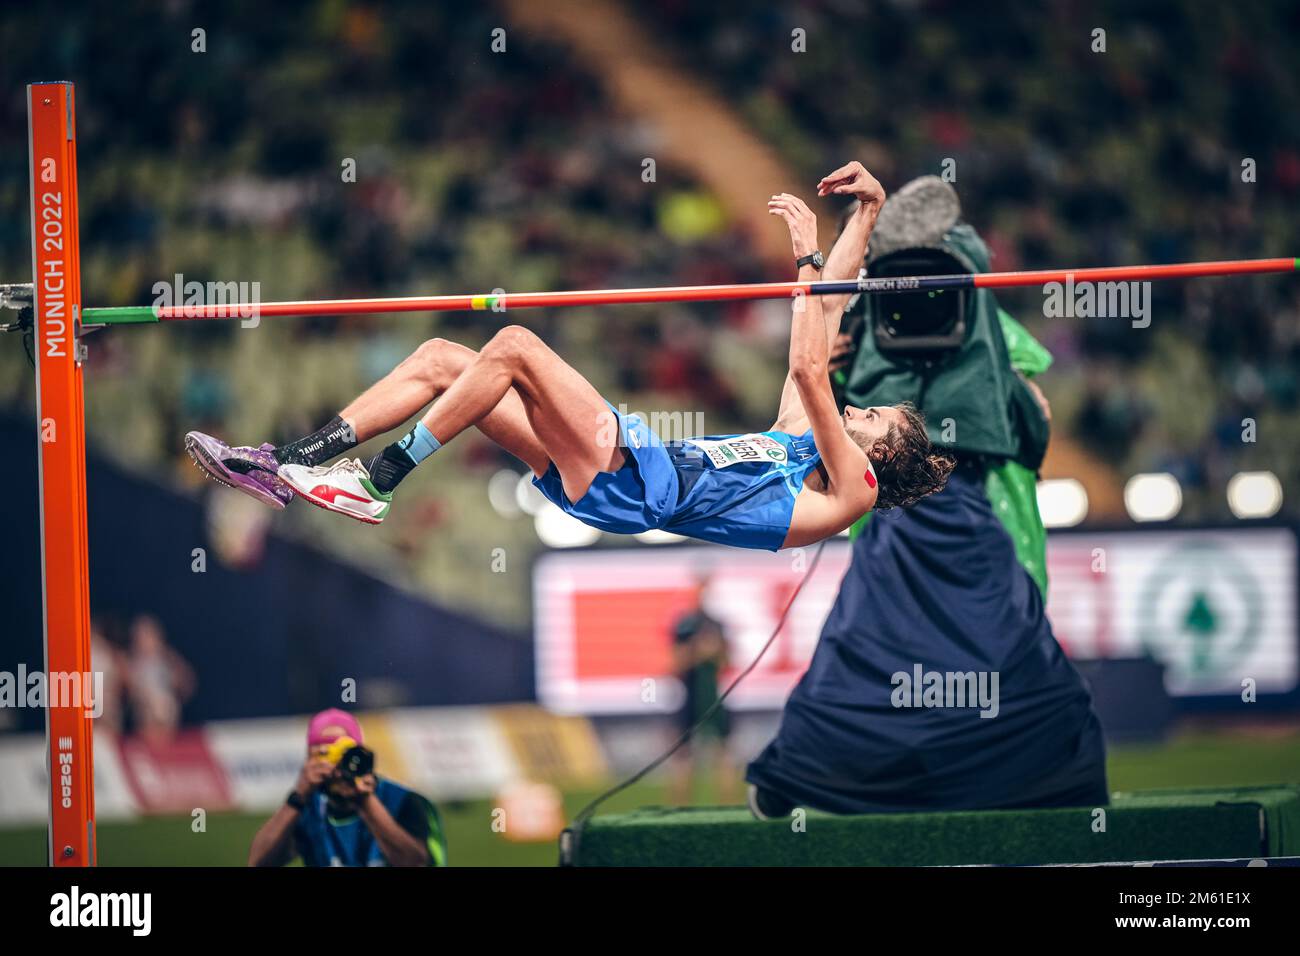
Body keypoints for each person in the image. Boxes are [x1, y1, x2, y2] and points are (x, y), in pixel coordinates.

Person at [184, 162, 954, 552]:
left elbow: (814, 365)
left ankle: (377, 480)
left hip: (643, 483)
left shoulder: (848, 493)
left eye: (874, 416)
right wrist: (870, 212)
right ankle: (289, 464)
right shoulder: (797, 447)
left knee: (515, 343)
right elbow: (830, 313)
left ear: (881, 454)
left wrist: (805, 253)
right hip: (629, 476)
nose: (859, 410)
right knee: (447, 358)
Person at [745, 176, 1108, 818]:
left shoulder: (864, 335)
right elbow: (1031, 433)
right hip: (955, 508)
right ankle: (1062, 778)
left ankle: (796, 774)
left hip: (905, 517)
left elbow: (818, 373)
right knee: (1005, 638)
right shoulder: (990, 338)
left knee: (860, 644)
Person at [248, 708, 445, 867]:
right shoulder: (308, 811)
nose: (337, 770)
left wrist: (365, 802)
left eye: (344, 757)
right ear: (310, 760)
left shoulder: (403, 801)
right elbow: (259, 862)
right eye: (324, 756)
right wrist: (298, 797)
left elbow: (414, 862)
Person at [668, 575, 736, 805]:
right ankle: (680, 807)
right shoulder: (685, 624)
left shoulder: (717, 624)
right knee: (684, 755)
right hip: (690, 695)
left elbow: (728, 663)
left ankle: (727, 807)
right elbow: (674, 664)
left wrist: (716, 652)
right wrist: (698, 652)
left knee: (723, 752)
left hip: (714, 696)